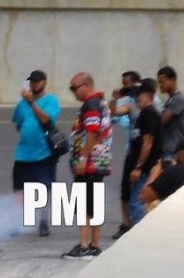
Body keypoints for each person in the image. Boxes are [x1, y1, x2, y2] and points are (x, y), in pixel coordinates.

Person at [62, 72, 112, 260]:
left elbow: (91, 133)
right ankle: (95, 245)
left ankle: (84, 246)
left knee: (84, 205)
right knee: (94, 204)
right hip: (97, 163)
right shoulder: (100, 102)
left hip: (90, 164)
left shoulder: (91, 104)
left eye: (74, 88)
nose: (73, 92)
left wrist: (82, 159)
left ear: (86, 85)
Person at [11, 70, 59, 236]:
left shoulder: (51, 101)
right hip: (23, 154)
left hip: (44, 154)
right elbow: (18, 124)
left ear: (44, 82)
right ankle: (18, 222)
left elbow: (46, 119)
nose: (34, 84)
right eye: (32, 81)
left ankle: (43, 221)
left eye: (37, 81)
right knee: (19, 190)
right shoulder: (21, 104)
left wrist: (32, 103)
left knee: (44, 190)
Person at [123, 79, 162, 228]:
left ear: (147, 94)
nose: (135, 99)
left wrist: (138, 167)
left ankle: (138, 238)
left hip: (146, 169)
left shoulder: (149, 114)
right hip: (143, 168)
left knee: (137, 204)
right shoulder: (143, 114)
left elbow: (148, 142)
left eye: (138, 95)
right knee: (137, 204)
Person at [109, 70, 141, 239]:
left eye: (127, 84)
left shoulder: (151, 102)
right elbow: (114, 112)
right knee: (126, 189)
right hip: (132, 151)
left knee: (141, 189)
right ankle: (127, 223)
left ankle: (141, 224)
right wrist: (114, 98)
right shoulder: (129, 102)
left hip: (147, 152)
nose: (124, 87)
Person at [140, 134, 184, 205]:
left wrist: (155, 172)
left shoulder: (173, 172)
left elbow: (144, 197)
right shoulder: (175, 171)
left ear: (181, 153)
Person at [157, 66, 184, 165]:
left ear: (173, 80)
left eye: (163, 82)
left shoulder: (178, 99)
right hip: (167, 147)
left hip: (174, 149)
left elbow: (163, 120)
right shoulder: (170, 99)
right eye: (159, 82)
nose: (160, 85)